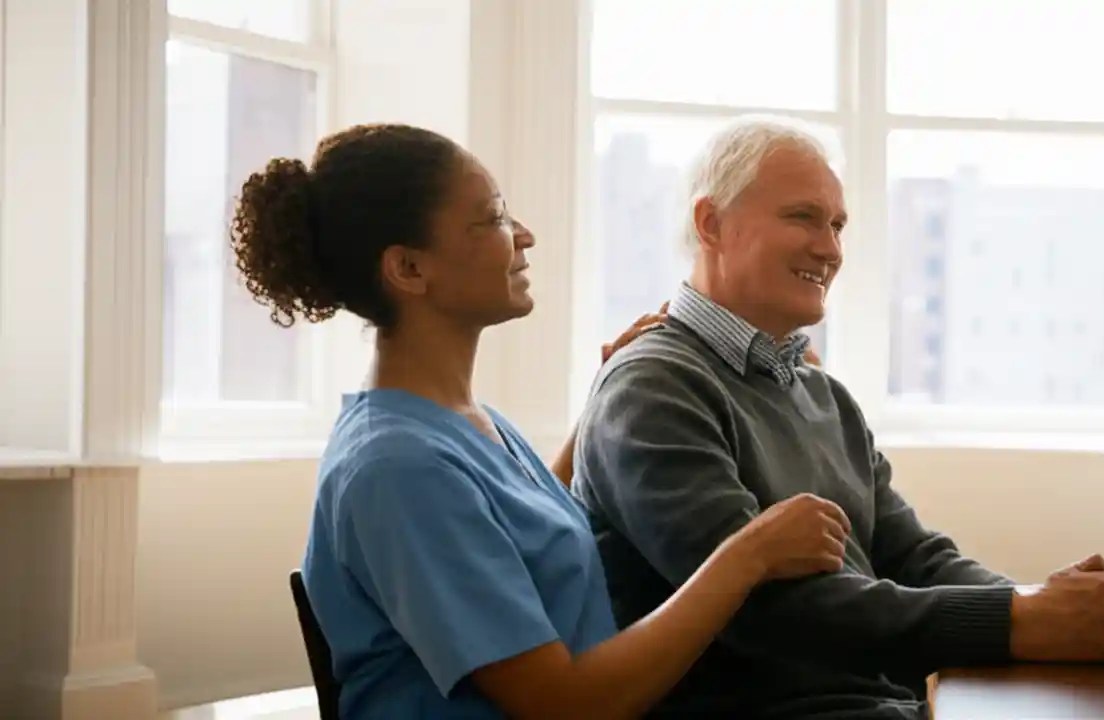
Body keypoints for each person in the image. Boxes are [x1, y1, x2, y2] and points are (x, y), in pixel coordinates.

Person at [230, 123, 854, 719]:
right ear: (409, 269)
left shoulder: (467, 423)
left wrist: (600, 410)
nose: (523, 235)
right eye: (494, 219)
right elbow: (567, 705)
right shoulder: (398, 468)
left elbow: (530, 533)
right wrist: (748, 554)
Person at [573, 117, 1104, 718]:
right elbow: (769, 610)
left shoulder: (822, 394)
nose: (830, 249)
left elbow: (913, 555)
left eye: (836, 225)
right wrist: (1023, 621)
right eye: (802, 217)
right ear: (711, 223)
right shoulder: (652, 388)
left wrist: (1047, 604)